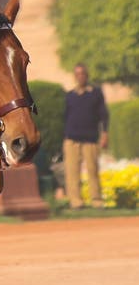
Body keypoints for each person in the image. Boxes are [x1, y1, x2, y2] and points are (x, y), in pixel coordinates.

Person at [62, 63, 109, 209]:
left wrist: (105, 134)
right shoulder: (70, 95)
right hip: (72, 140)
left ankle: (97, 201)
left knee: (93, 171)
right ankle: (76, 202)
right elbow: (65, 117)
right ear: (75, 76)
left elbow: (104, 115)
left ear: (86, 75)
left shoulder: (96, 93)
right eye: (77, 74)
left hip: (90, 139)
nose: (80, 76)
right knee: (72, 173)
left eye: (82, 73)